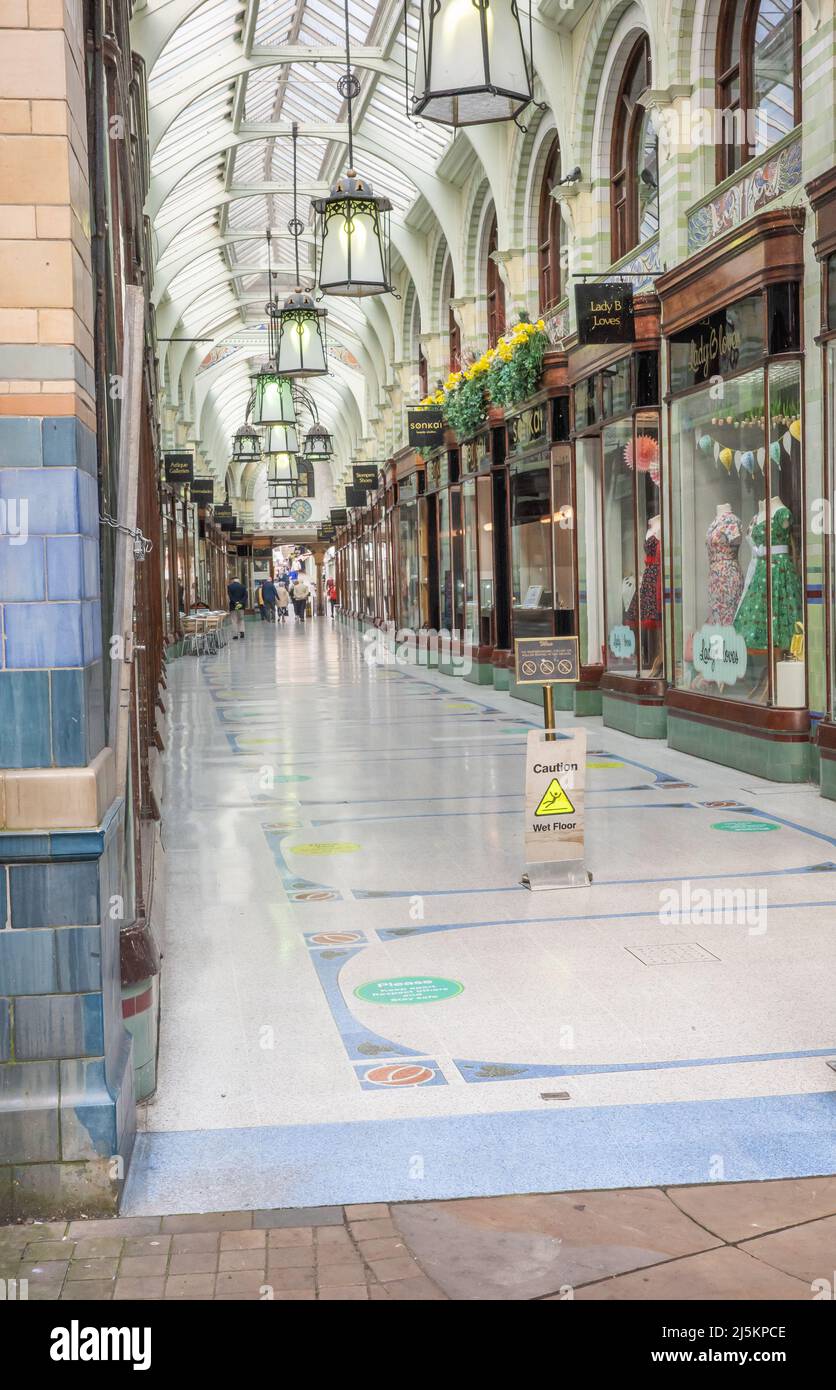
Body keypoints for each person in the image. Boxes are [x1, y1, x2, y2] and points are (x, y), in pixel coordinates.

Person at [227, 575, 247, 639]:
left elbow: (230, 596)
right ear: (238, 580)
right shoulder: (243, 587)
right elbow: (245, 596)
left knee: (234, 620)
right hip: (241, 606)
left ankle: (235, 635)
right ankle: (242, 632)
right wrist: (240, 602)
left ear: (233, 581)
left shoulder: (230, 587)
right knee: (241, 619)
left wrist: (235, 602)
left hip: (233, 606)